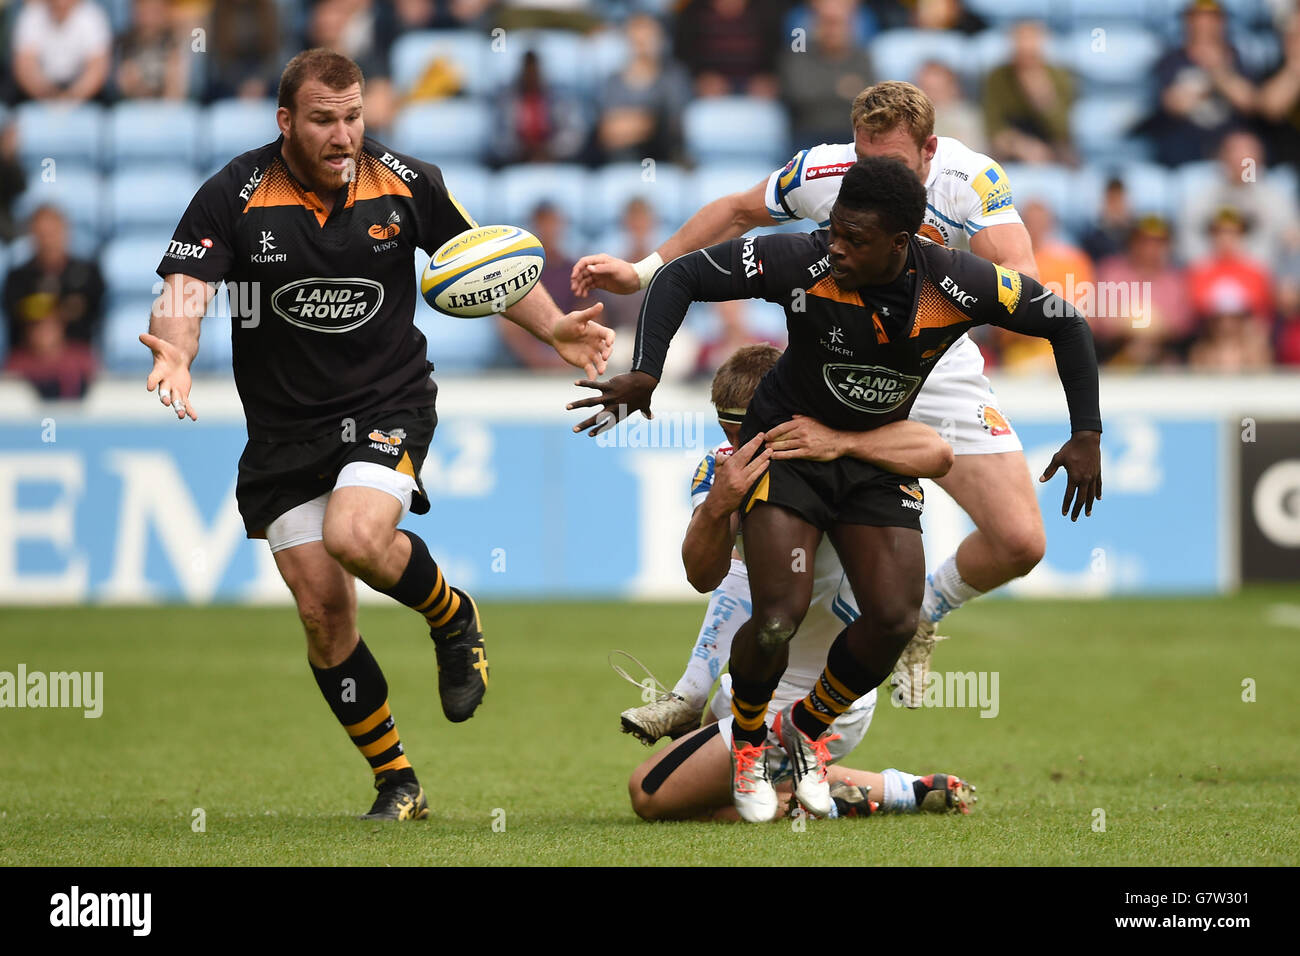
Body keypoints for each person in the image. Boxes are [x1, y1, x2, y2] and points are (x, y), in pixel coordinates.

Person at [140, 49, 613, 821]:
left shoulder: (407, 181)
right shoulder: (234, 192)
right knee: (324, 614)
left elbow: (481, 262)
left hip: (386, 402)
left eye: (353, 116)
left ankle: (452, 616)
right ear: (286, 121)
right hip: (284, 430)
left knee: (355, 536)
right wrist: (176, 351)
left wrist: (555, 325)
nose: (343, 135)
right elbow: (185, 291)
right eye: (323, 120)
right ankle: (398, 780)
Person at [570, 156, 1102, 822]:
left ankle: (807, 732)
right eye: (836, 228)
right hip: (791, 447)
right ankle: (755, 742)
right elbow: (682, 275)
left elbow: (1065, 321)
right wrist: (647, 373)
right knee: (776, 616)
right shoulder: (806, 261)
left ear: (901, 243)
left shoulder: (957, 283)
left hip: (869, 461)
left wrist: (1087, 432)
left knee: (897, 617)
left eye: (855, 237)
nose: (837, 246)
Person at [573, 80, 1046, 721]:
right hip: (835, 363)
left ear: (929, 150)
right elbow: (737, 212)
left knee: (1020, 541)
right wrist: (643, 270)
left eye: (891, 163)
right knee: (757, 536)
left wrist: (949, 290)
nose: (869, 175)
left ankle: (921, 616)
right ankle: (695, 693)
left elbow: (1021, 281)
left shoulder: (971, 178)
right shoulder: (822, 170)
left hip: (934, 366)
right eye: (862, 158)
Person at [625, 343, 975, 822]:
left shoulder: (839, 457)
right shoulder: (724, 464)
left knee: (650, 794)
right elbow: (706, 576)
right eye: (728, 432)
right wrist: (718, 505)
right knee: (703, 782)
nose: (740, 446)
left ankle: (837, 799)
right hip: (754, 680)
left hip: (819, 697)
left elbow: (937, 452)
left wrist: (847, 444)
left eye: (750, 431)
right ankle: (900, 790)